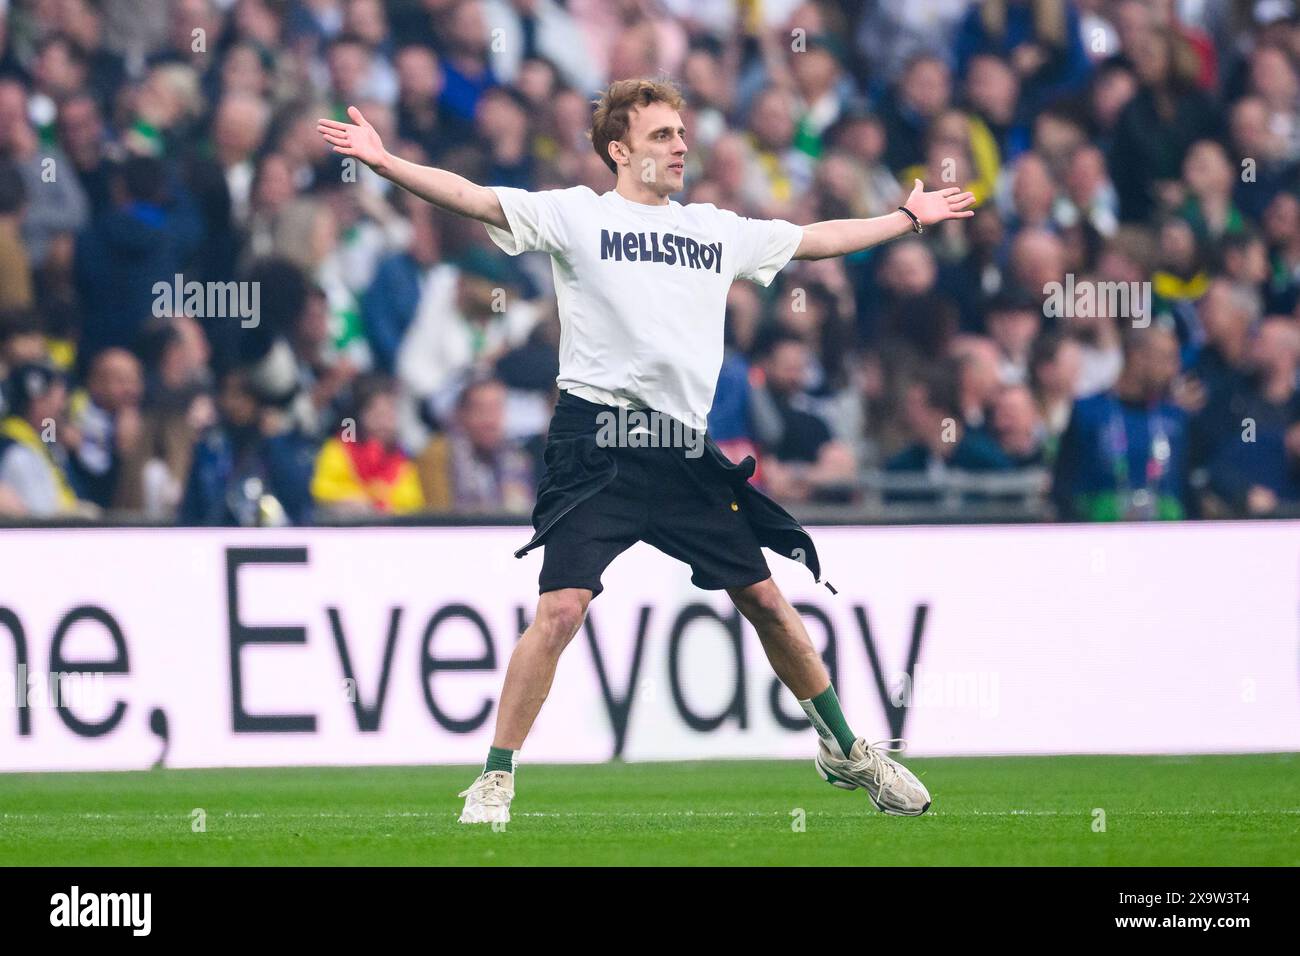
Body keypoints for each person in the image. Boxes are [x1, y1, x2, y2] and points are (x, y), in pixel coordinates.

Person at [318, 78, 975, 824]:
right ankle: (496, 776)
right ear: (620, 150)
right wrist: (386, 162)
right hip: (595, 439)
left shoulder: (714, 228)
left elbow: (817, 239)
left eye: (682, 133)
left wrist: (904, 217)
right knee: (562, 608)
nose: (681, 145)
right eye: (663, 134)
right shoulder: (576, 214)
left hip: (680, 449)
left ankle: (845, 748)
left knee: (763, 598)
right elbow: (471, 197)